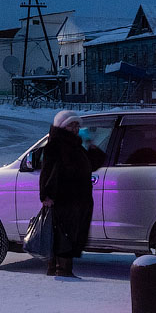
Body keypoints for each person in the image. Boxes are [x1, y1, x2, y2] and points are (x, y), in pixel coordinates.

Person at [38, 110, 91, 278]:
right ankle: (61, 270)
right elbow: (47, 171)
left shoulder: (74, 145)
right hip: (62, 198)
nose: (75, 128)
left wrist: (95, 152)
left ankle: (58, 269)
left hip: (74, 198)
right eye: (71, 125)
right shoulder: (56, 144)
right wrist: (45, 195)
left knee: (66, 233)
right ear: (62, 126)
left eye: (77, 125)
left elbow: (86, 166)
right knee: (63, 234)